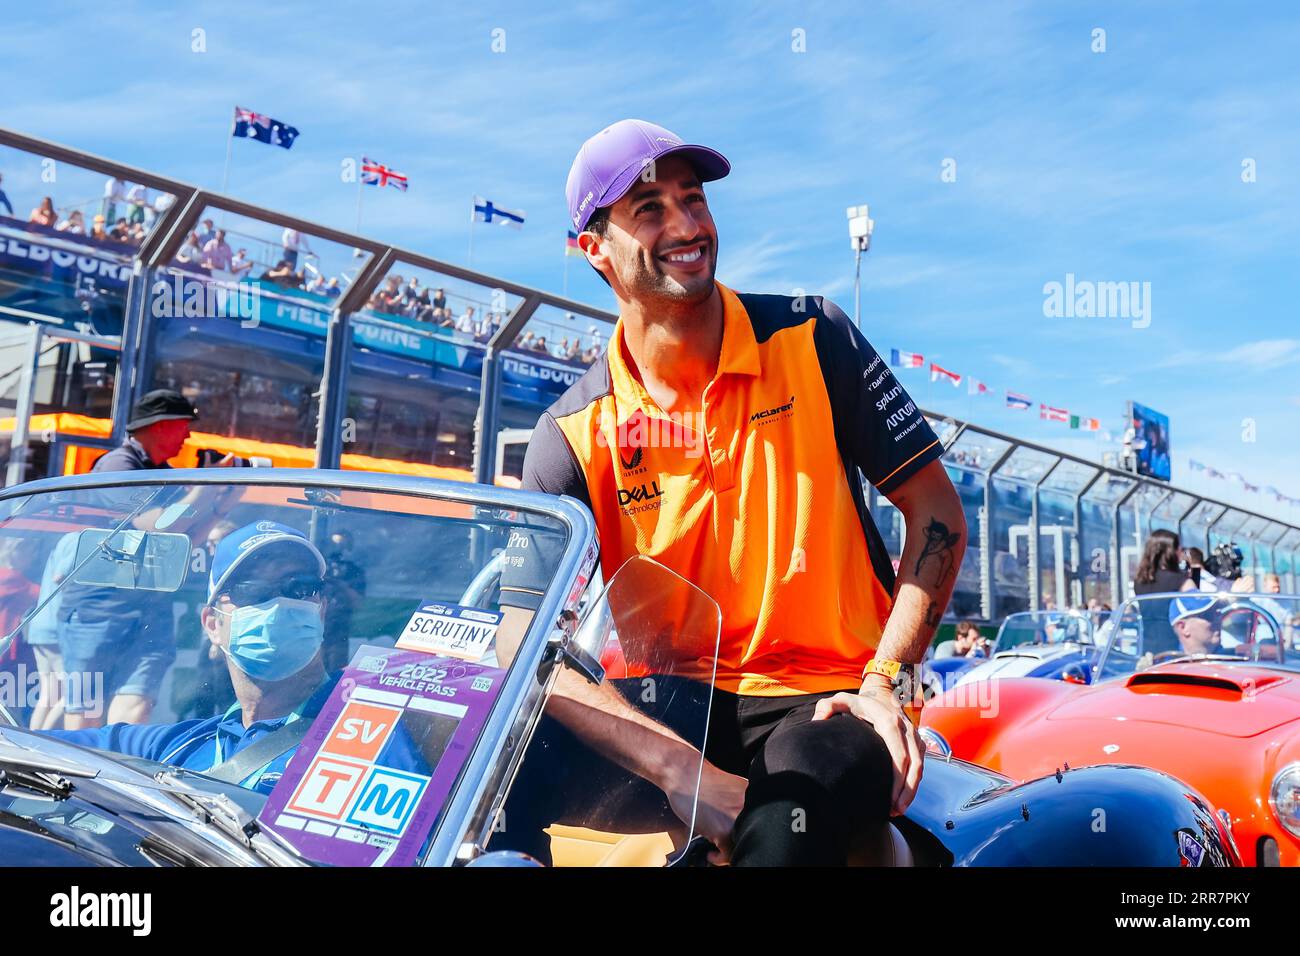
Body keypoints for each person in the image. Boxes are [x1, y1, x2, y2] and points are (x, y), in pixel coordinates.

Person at [494, 119, 966, 866]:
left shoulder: (815, 337)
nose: (687, 225)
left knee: (786, 822)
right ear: (595, 251)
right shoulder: (572, 431)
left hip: (831, 701)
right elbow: (521, 638)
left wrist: (889, 684)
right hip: (672, 709)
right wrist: (687, 774)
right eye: (649, 208)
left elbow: (937, 515)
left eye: (694, 198)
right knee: (477, 757)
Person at [48, 523, 336, 793]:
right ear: (213, 624)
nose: (279, 604)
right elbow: (35, 748)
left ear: (320, 611)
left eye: (301, 588)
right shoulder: (180, 745)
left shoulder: (362, 731)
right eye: (254, 589)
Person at [1133, 529, 1191, 595]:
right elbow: (1196, 602)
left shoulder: (1139, 581)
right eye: (1177, 546)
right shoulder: (1181, 581)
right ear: (1171, 552)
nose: (1180, 549)